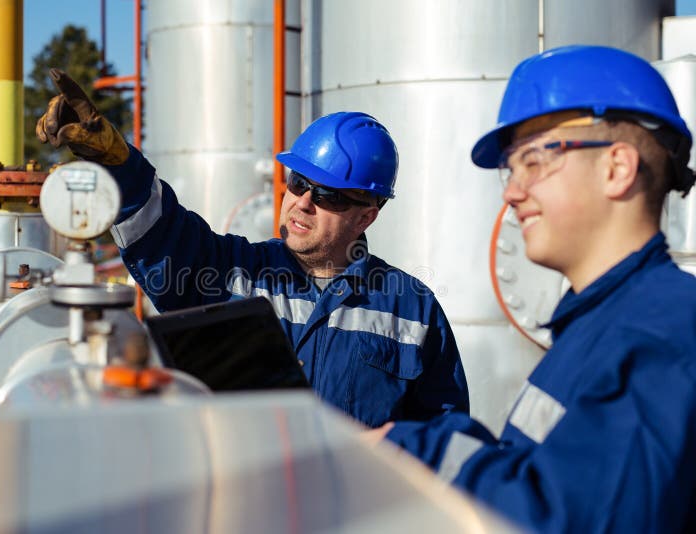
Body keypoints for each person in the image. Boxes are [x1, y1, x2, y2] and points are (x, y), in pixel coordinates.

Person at [35, 69, 469, 428]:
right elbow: (161, 233)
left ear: (366, 216)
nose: (302, 202)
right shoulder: (232, 272)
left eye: (328, 195)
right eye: (298, 182)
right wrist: (117, 163)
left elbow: (442, 435)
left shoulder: (413, 309)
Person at [377, 45, 696, 532]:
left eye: (534, 159)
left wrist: (411, 447)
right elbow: (548, 476)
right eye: (512, 167)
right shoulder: (600, 325)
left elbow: (572, 520)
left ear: (616, 168)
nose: (511, 191)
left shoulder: (661, 332)